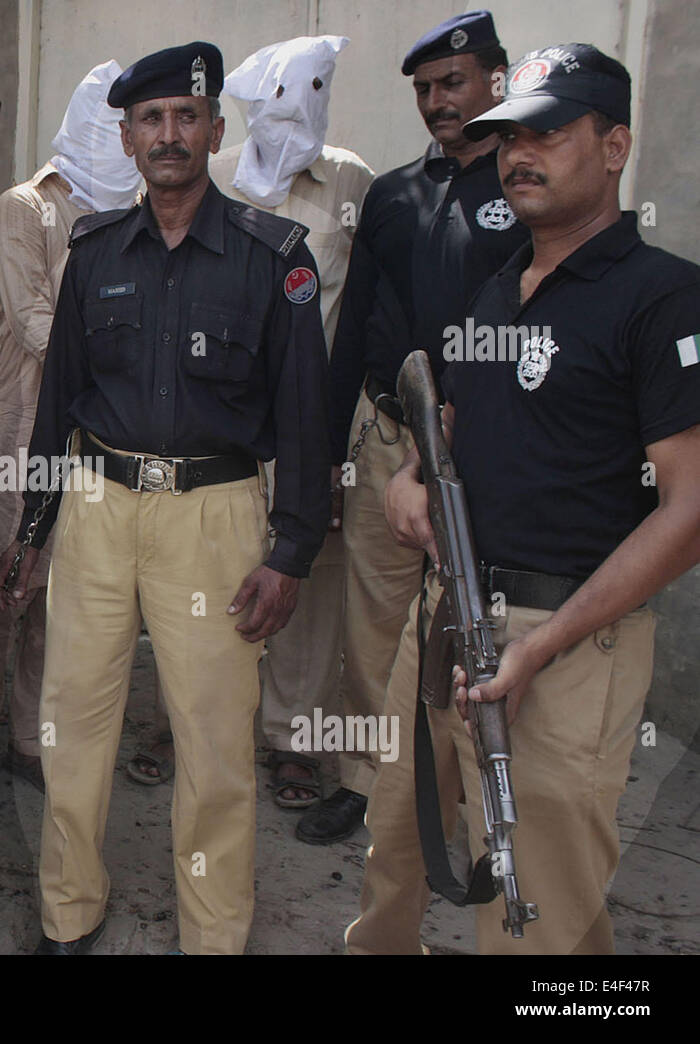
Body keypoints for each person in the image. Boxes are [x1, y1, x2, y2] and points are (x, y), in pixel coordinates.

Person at [350, 43, 700, 954]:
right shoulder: (498, 287)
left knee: (536, 907)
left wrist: (541, 646)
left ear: (616, 145)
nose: (517, 152)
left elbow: (690, 508)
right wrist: (408, 480)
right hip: (446, 622)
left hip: (568, 642)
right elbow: (454, 427)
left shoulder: (664, 298)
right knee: (394, 851)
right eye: (509, 134)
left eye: (549, 130)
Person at [0, 42, 330, 955]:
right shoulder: (97, 248)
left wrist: (291, 551)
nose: (170, 134)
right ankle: (70, 910)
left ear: (216, 130)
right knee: (73, 726)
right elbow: (58, 397)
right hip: (100, 508)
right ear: (129, 137)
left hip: (215, 519)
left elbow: (306, 419)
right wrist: (35, 527)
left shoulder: (274, 260)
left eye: (187, 117)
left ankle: (214, 932)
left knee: (216, 741)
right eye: (152, 119)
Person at [119, 34, 366, 809]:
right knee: (199, 589)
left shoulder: (352, 183)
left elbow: (357, 311)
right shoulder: (208, 178)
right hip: (217, 419)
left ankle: (291, 740)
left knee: (302, 575)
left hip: (304, 415)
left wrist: (336, 438)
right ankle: (173, 722)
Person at [305, 9, 527, 844]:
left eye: (453, 85)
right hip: (387, 436)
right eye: (426, 90)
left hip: (487, 449)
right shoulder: (395, 194)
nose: (438, 102)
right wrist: (328, 452)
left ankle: (463, 789)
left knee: (476, 622)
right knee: (373, 621)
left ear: (494, 80)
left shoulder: (524, 182)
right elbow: (355, 322)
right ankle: (366, 783)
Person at [0, 59, 141, 816]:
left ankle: (32, 743)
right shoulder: (25, 207)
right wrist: (135, 353)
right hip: (21, 429)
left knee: (66, 604)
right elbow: (35, 322)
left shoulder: (142, 208)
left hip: (101, 440)